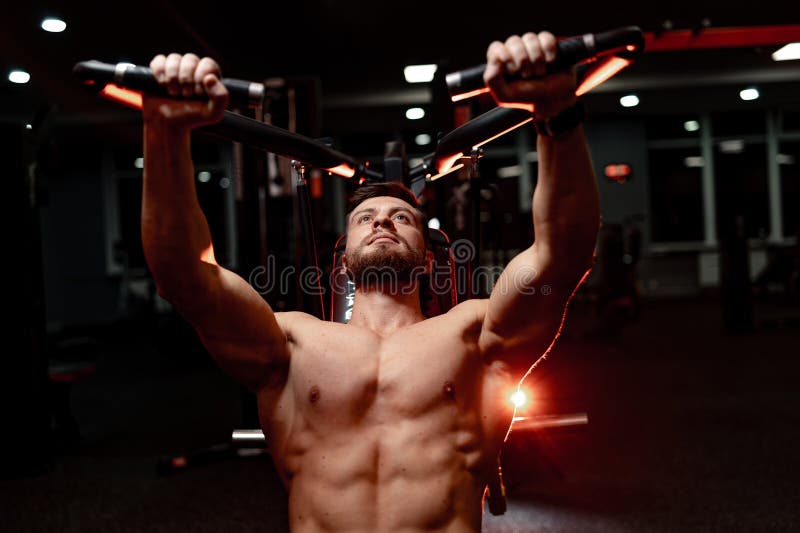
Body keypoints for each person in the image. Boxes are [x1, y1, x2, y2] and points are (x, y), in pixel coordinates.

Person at [141, 31, 599, 532]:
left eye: (402, 218)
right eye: (365, 218)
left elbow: (561, 257)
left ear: (428, 261)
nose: (382, 221)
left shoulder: (473, 335)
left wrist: (557, 113)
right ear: (342, 263)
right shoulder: (291, 343)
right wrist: (163, 134)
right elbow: (185, 277)